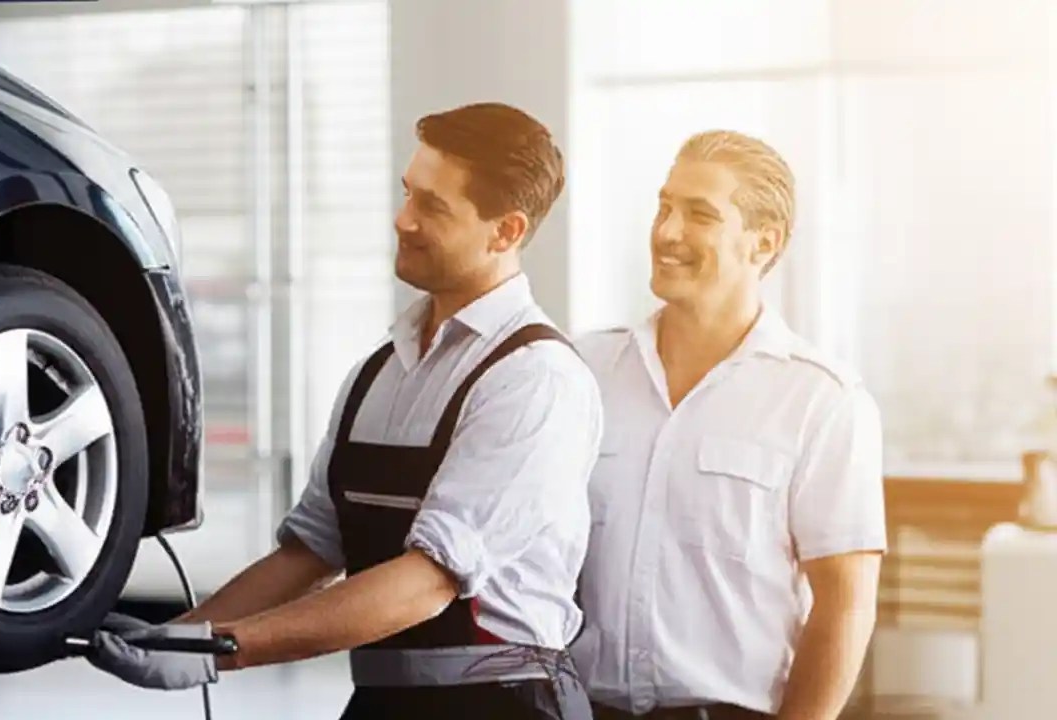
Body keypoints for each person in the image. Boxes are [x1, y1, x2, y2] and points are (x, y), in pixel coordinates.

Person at [88, 101, 603, 720]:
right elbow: (310, 553)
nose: (402, 220)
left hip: (506, 705)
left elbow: (425, 584)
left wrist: (220, 648)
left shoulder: (535, 379)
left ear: (507, 231)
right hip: (382, 701)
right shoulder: (378, 371)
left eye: (433, 207)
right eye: (408, 193)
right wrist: (178, 633)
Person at [569, 130, 886, 720]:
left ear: (763, 244)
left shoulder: (823, 401)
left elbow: (845, 604)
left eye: (700, 215)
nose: (666, 231)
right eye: (664, 206)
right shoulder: (582, 370)